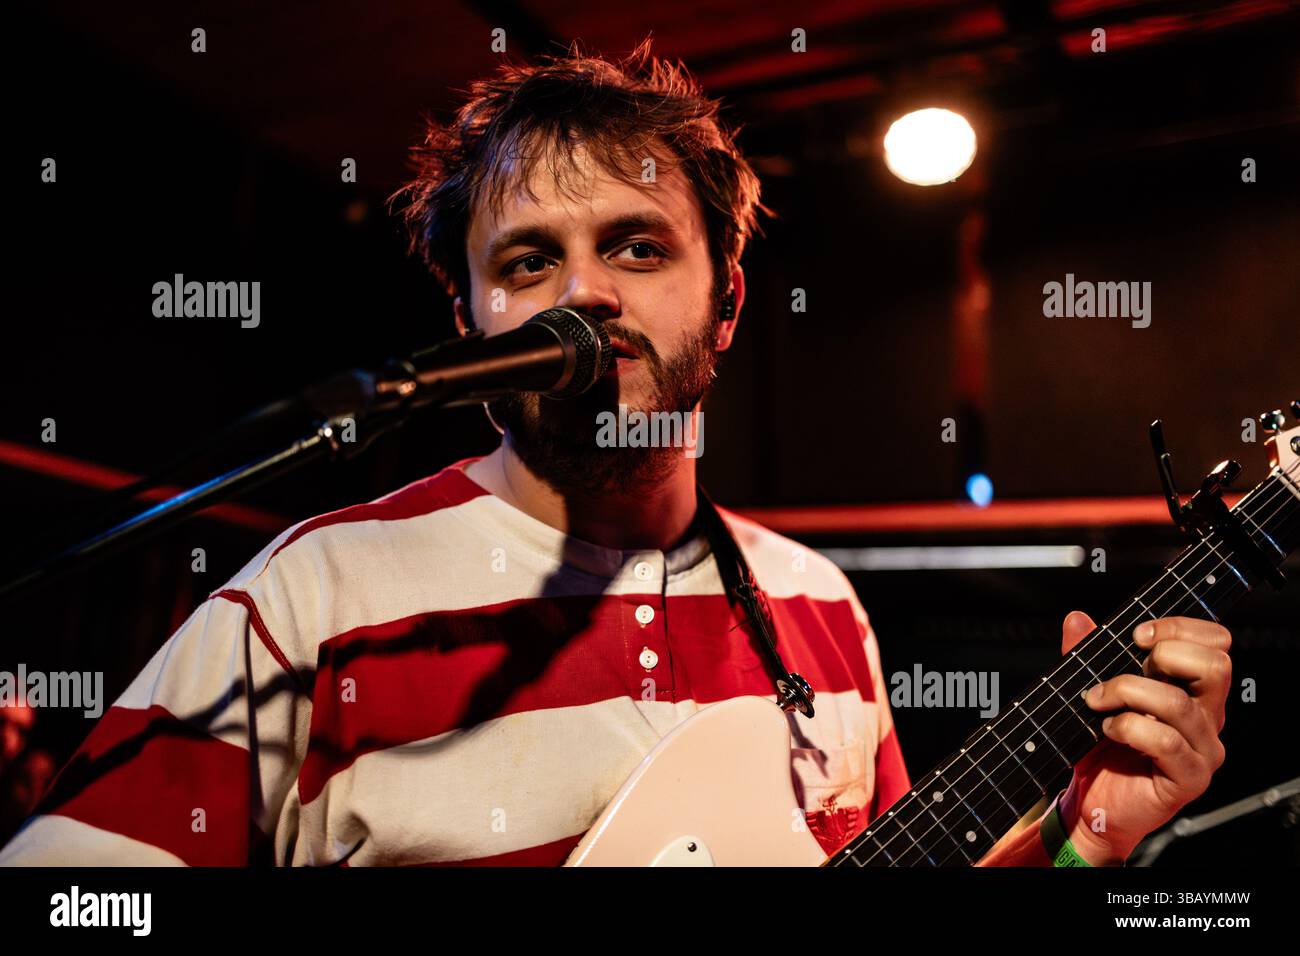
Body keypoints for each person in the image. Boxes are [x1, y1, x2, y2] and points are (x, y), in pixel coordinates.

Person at [0, 40, 1230, 866]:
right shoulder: (308, 597)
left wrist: (1082, 839)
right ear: (471, 319)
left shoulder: (819, 608)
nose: (581, 296)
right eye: (528, 262)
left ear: (729, 300)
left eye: (636, 248)